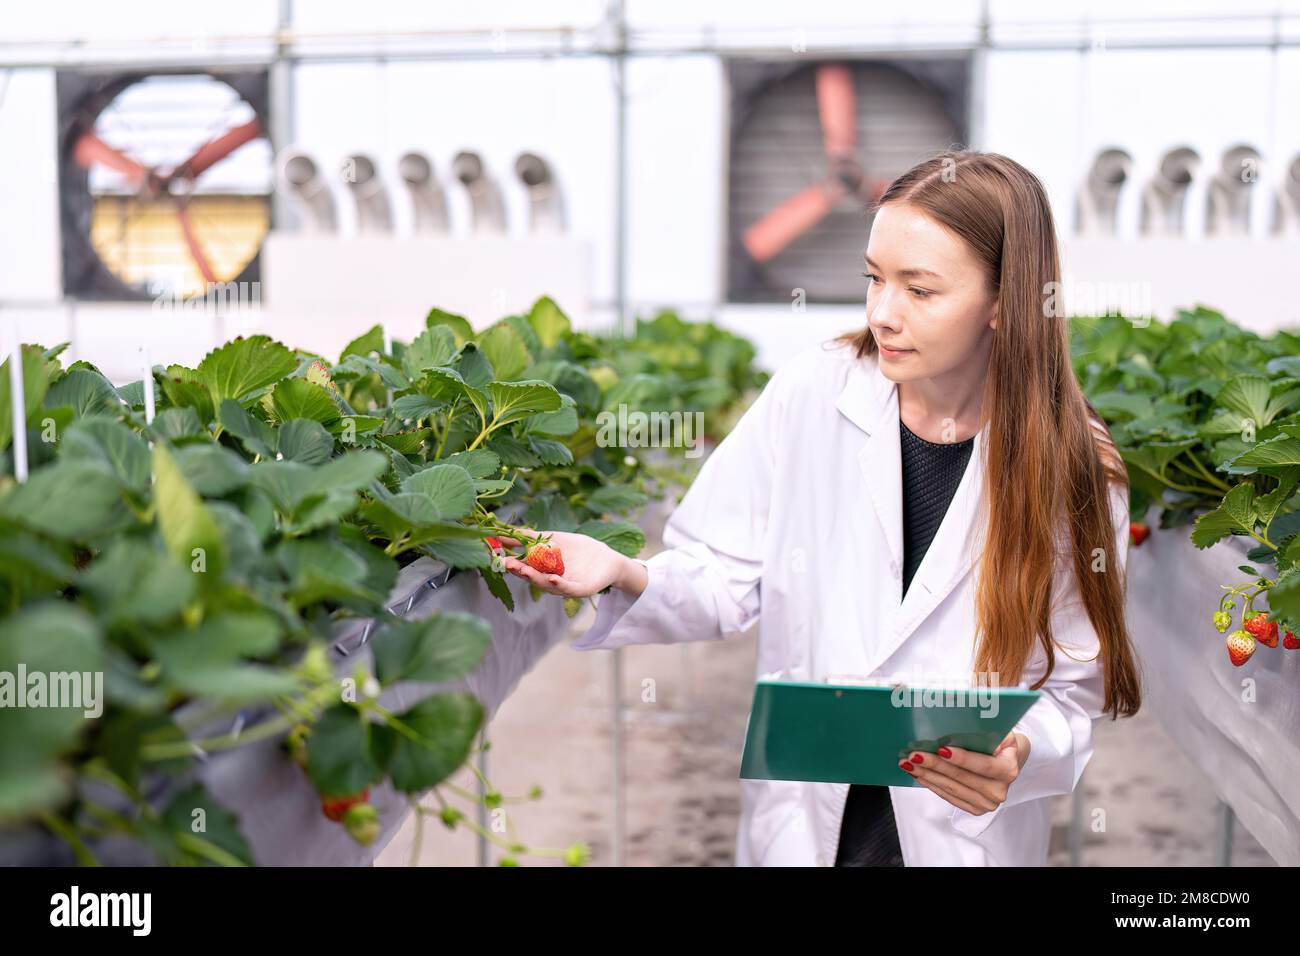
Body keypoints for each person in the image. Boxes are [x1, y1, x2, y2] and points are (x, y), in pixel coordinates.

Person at [497, 149, 1141, 866]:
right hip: (807, 827)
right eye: (874, 278)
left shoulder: (1075, 466)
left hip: (959, 839)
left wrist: (1020, 751)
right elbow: (722, 572)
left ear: (1004, 301)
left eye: (920, 291)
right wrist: (622, 571)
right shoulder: (813, 393)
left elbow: (1074, 687)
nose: (882, 312)